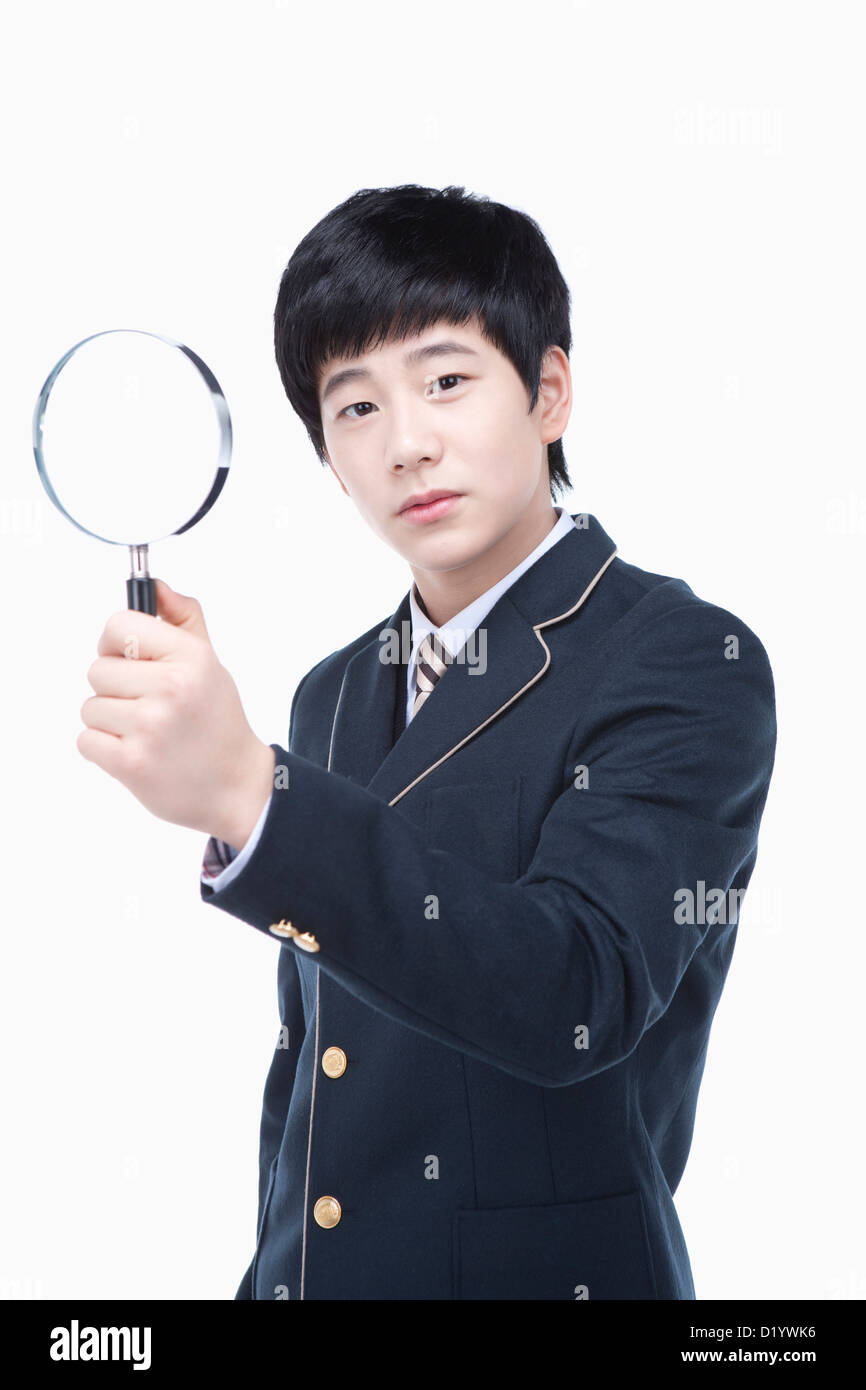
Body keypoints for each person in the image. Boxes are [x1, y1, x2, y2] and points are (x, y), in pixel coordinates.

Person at [198, 184, 777, 1300]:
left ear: (548, 392)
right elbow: (315, 1065)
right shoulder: (331, 690)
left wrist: (247, 794)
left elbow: (579, 991)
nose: (406, 444)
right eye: (354, 406)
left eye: (447, 380)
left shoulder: (682, 657)